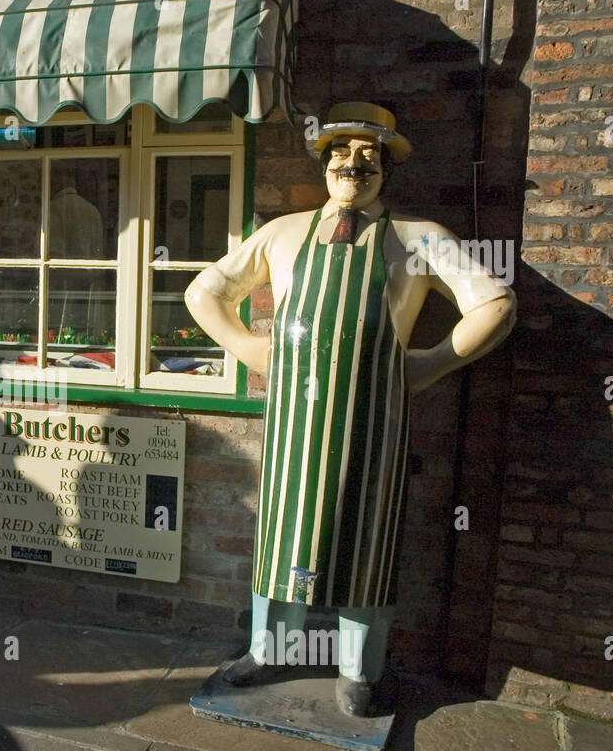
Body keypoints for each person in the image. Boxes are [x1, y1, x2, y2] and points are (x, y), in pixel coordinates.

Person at [185, 102, 516, 717]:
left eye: (370, 154)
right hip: (291, 425)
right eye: (342, 151)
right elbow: (204, 291)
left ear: (387, 168)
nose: (354, 163)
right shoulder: (282, 232)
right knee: (282, 533)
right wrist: (251, 349)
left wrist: (430, 361)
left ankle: (360, 670)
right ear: (324, 159)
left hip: (375, 424)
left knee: (367, 542)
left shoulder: (419, 239)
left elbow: (494, 304)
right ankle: (269, 649)